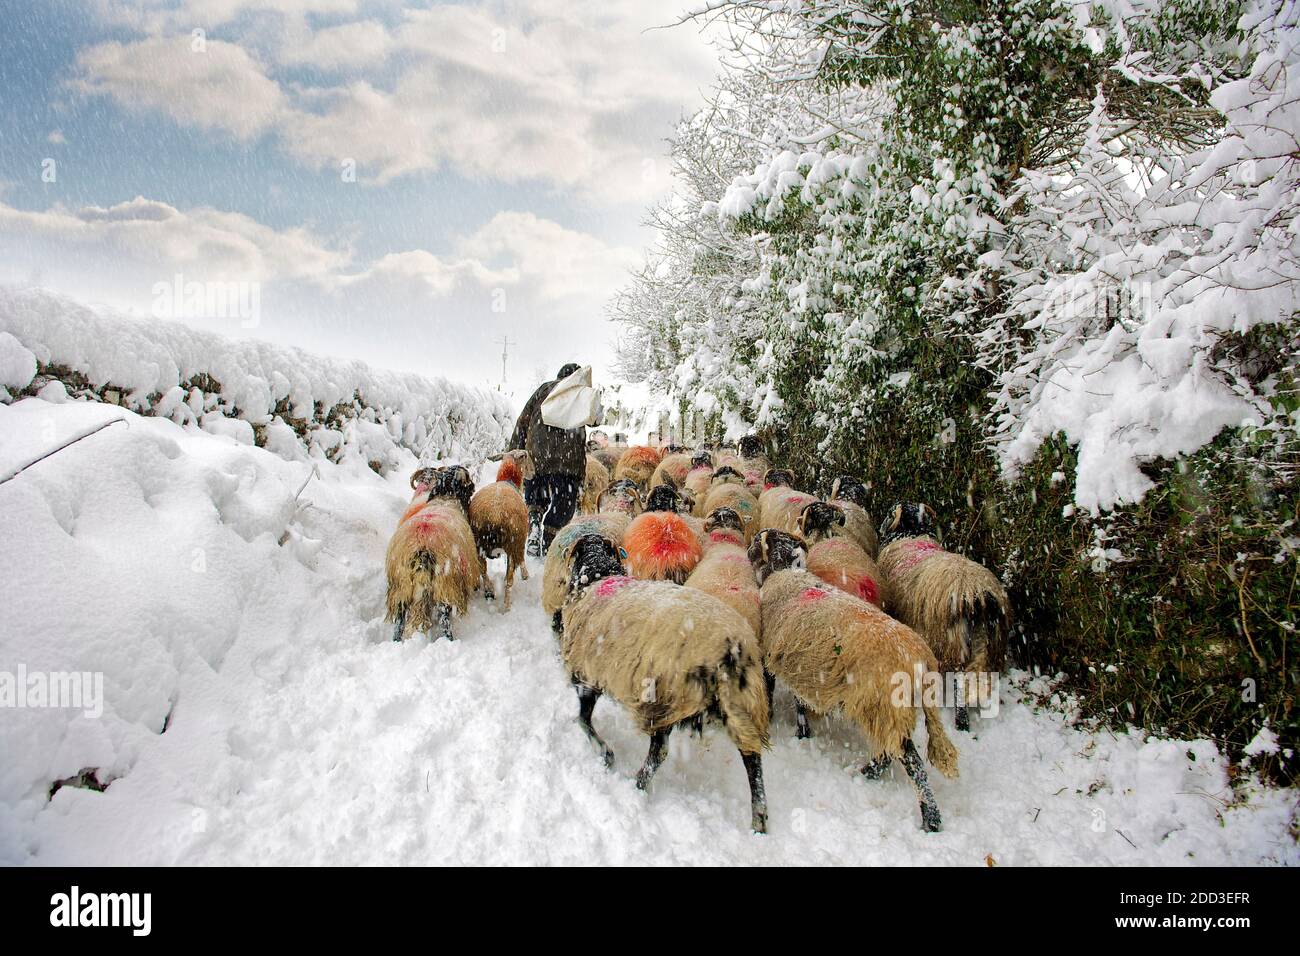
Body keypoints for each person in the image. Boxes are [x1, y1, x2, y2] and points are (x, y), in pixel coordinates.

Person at [509, 362, 587, 555]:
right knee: (564, 500)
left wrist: (515, 450)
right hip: (568, 460)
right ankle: (550, 536)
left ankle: (534, 523)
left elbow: (523, 420)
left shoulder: (544, 389)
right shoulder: (580, 393)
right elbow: (596, 418)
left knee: (536, 491)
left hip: (539, 455)